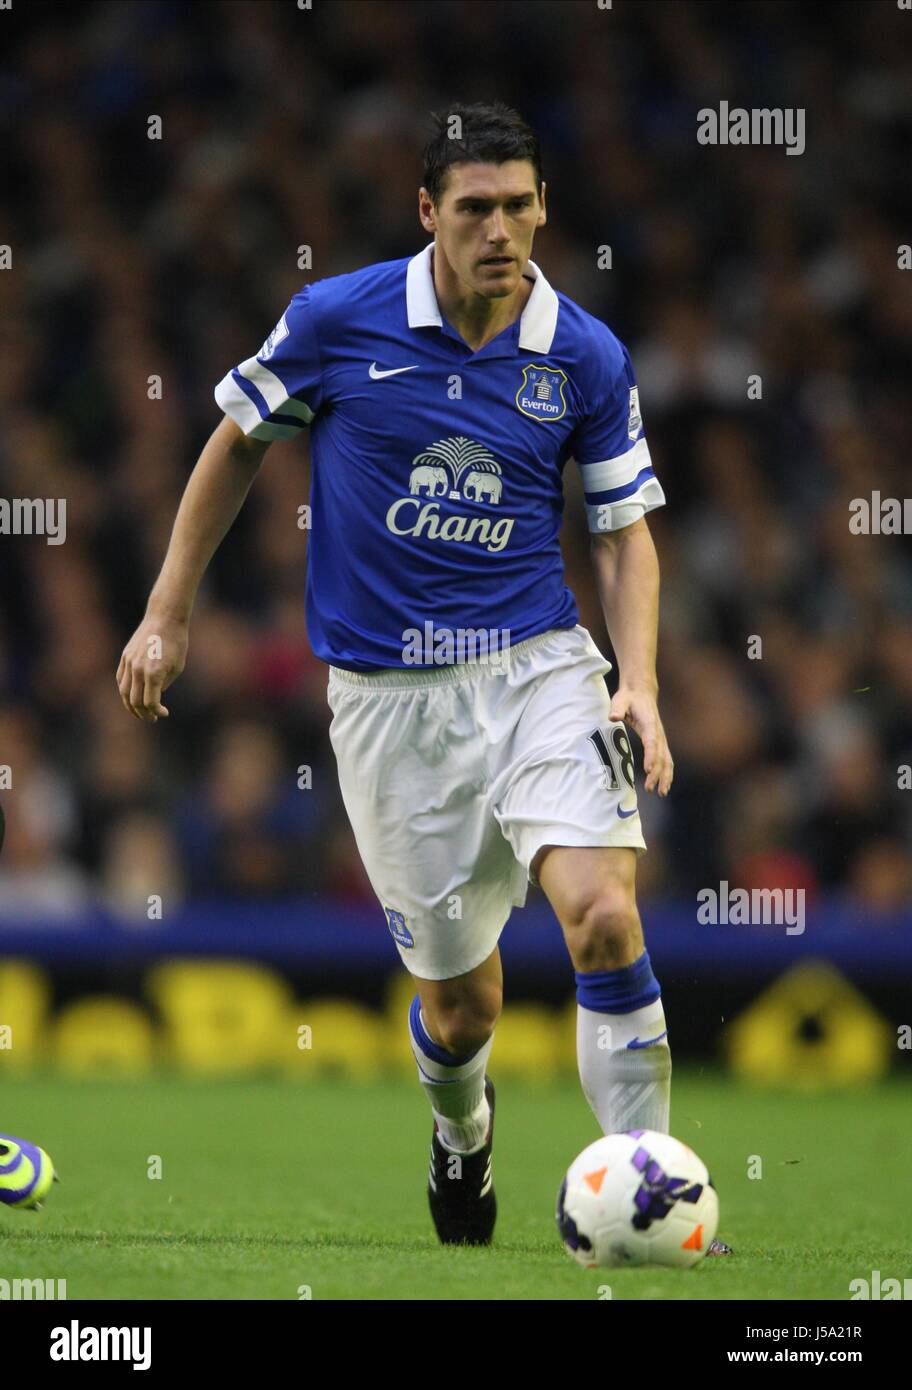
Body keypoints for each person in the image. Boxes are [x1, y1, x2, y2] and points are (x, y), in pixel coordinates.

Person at [117, 101, 729, 1255]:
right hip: (391, 706)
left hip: (540, 667)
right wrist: (166, 610)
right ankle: (463, 1140)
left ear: (544, 205)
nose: (500, 230)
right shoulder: (337, 319)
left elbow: (623, 529)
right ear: (427, 214)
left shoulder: (582, 353)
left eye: (518, 205)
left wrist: (637, 681)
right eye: (474, 209)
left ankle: (648, 1196)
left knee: (603, 916)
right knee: (465, 1003)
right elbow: (237, 441)